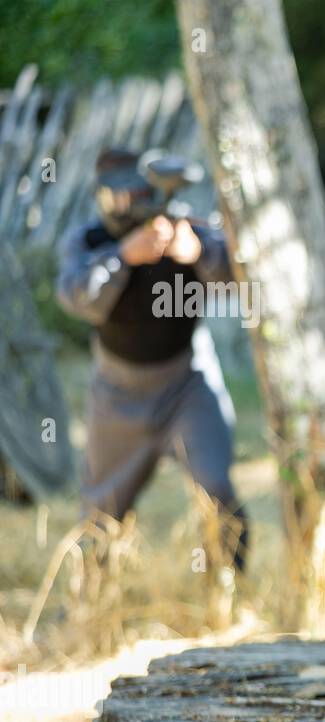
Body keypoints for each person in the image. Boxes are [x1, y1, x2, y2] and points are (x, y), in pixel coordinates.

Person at [56, 147, 247, 567]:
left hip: (188, 382)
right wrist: (124, 256)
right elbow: (76, 298)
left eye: (132, 196)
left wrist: (197, 253)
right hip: (117, 393)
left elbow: (241, 280)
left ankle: (231, 597)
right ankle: (92, 610)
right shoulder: (90, 240)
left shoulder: (188, 227)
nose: (124, 208)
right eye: (114, 199)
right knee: (100, 512)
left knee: (217, 489)